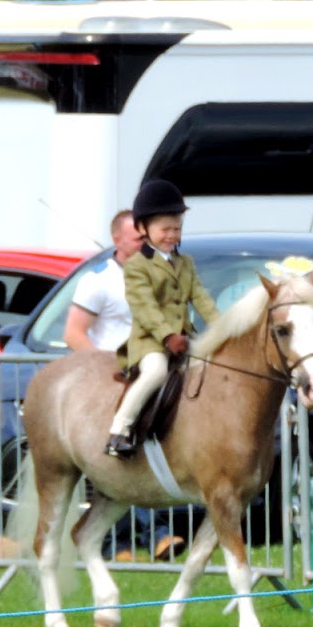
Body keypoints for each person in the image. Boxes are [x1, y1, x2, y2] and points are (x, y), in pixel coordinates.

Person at [65, 208, 187, 562]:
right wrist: (102, 368)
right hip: (119, 378)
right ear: (117, 239)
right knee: (125, 453)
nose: (145, 242)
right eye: (137, 237)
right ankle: (136, 539)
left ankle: (145, 537)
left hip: (158, 368)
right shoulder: (97, 280)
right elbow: (74, 332)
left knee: (158, 445)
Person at [104, 179, 219, 459]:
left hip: (183, 339)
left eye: (176, 229)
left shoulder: (185, 263)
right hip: (151, 343)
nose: (171, 235)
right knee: (155, 372)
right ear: (144, 229)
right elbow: (145, 308)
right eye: (165, 229)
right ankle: (119, 431)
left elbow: (201, 298)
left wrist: (223, 327)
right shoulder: (136, 267)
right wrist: (168, 336)